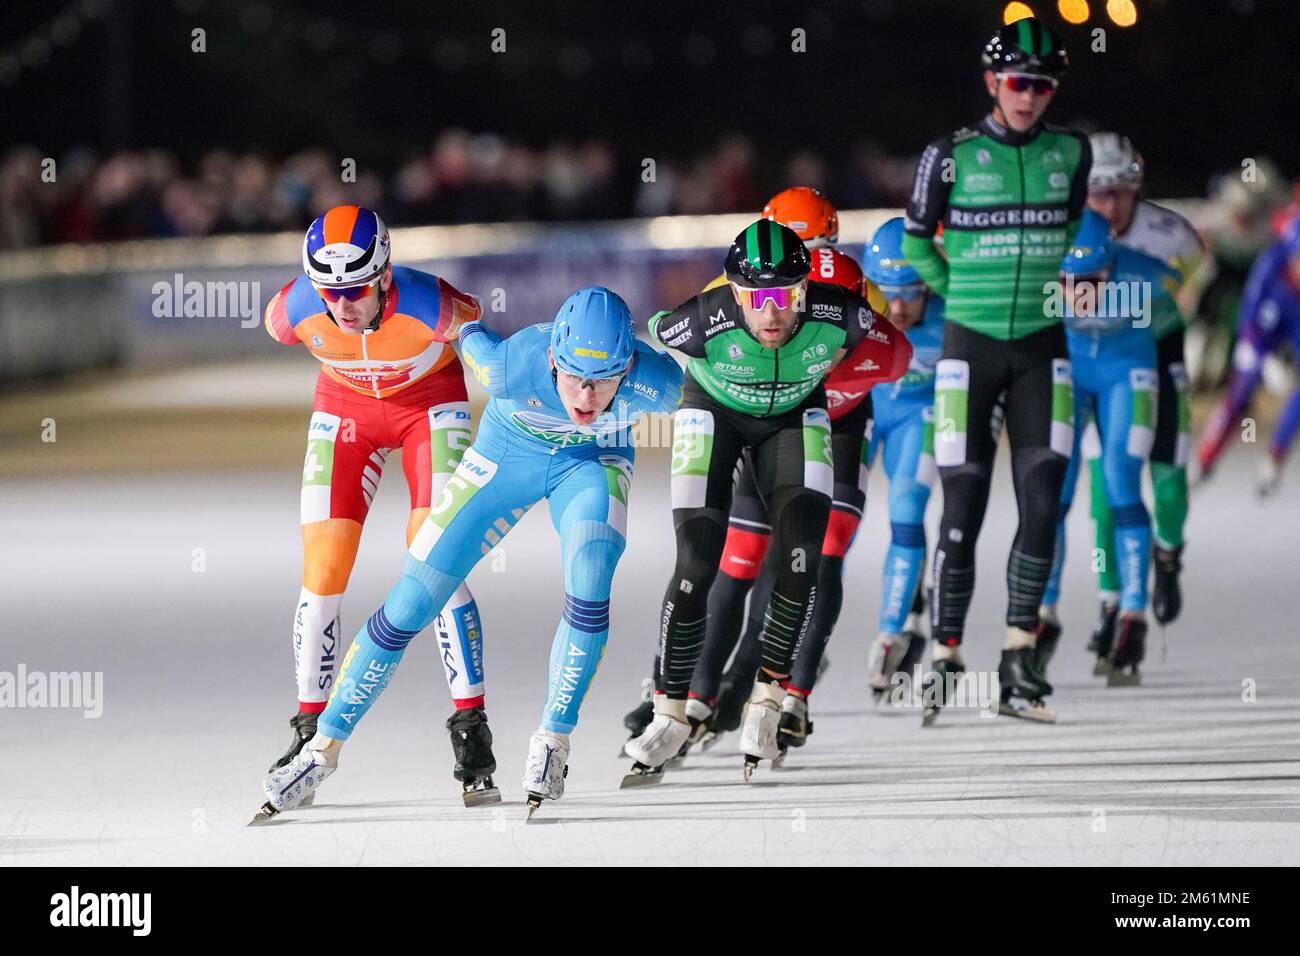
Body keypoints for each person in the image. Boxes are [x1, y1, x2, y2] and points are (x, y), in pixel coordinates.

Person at [253, 286, 683, 822]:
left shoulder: (658, 386)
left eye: (605, 381)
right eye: (573, 376)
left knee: (591, 574)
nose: (587, 398)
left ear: (630, 366)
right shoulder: (511, 365)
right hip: (506, 456)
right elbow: (462, 324)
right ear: (552, 358)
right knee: (412, 600)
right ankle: (323, 747)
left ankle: (553, 738)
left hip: (592, 466)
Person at [624, 218, 903, 781]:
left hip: (794, 420)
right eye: (757, 298)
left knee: (803, 563)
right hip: (713, 412)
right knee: (696, 562)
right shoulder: (700, 322)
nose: (772, 314)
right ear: (733, 294)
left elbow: (894, 354)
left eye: (787, 296)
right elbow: (643, 338)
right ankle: (670, 709)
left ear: (806, 290)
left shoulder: (846, 316)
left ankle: (768, 700)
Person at [262, 204, 498, 802]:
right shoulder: (291, 313)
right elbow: (286, 320)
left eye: (357, 289)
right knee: (321, 576)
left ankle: (471, 727)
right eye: (329, 291)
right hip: (346, 412)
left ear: (387, 275)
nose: (341, 306)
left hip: (430, 406)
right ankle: (308, 729)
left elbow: (487, 346)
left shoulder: (433, 304)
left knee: (436, 565)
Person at [902, 18, 1091, 722]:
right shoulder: (948, 155)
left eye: (1044, 85)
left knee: (1044, 500)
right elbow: (918, 242)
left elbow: (1072, 232)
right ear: (992, 82)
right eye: (1019, 82)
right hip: (967, 347)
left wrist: (1065, 279)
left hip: (1044, 349)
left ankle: (1019, 654)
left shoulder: (1071, 153)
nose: (1031, 95)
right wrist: (965, 292)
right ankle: (946, 651)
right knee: (963, 505)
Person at [1051, 133, 1204, 663]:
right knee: (1105, 490)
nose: (1110, 205)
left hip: (1154, 359)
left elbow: (1188, 291)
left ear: (1138, 188)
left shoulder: (1172, 236)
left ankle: (1168, 555)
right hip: (1095, 369)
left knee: (1167, 484)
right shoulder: (1065, 234)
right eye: (1098, 193)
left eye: (1121, 192)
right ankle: (1111, 602)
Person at [1041, 211, 1175, 687]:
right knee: (1052, 490)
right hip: (1072, 375)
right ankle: (1044, 612)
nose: (1077, 294)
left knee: (1120, 481)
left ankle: (1132, 614)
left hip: (1127, 374)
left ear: (1112, 266)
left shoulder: (1145, 269)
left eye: (1091, 283)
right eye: (1066, 282)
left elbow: (1191, 288)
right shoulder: (1041, 272)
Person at [858, 218, 946, 700]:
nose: (896, 308)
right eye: (885, 293)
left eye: (910, 293)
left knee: (907, 512)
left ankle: (891, 632)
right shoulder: (857, 309)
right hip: (866, 412)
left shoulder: (953, 310)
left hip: (920, 415)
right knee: (828, 521)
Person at [1197, 222, 1300, 495]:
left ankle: (1275, 456)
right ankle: (1206, 456)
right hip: (1261, 332)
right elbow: (1249, 320)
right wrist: (1264, 360)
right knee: (1242, 387)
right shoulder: (1269, 266)